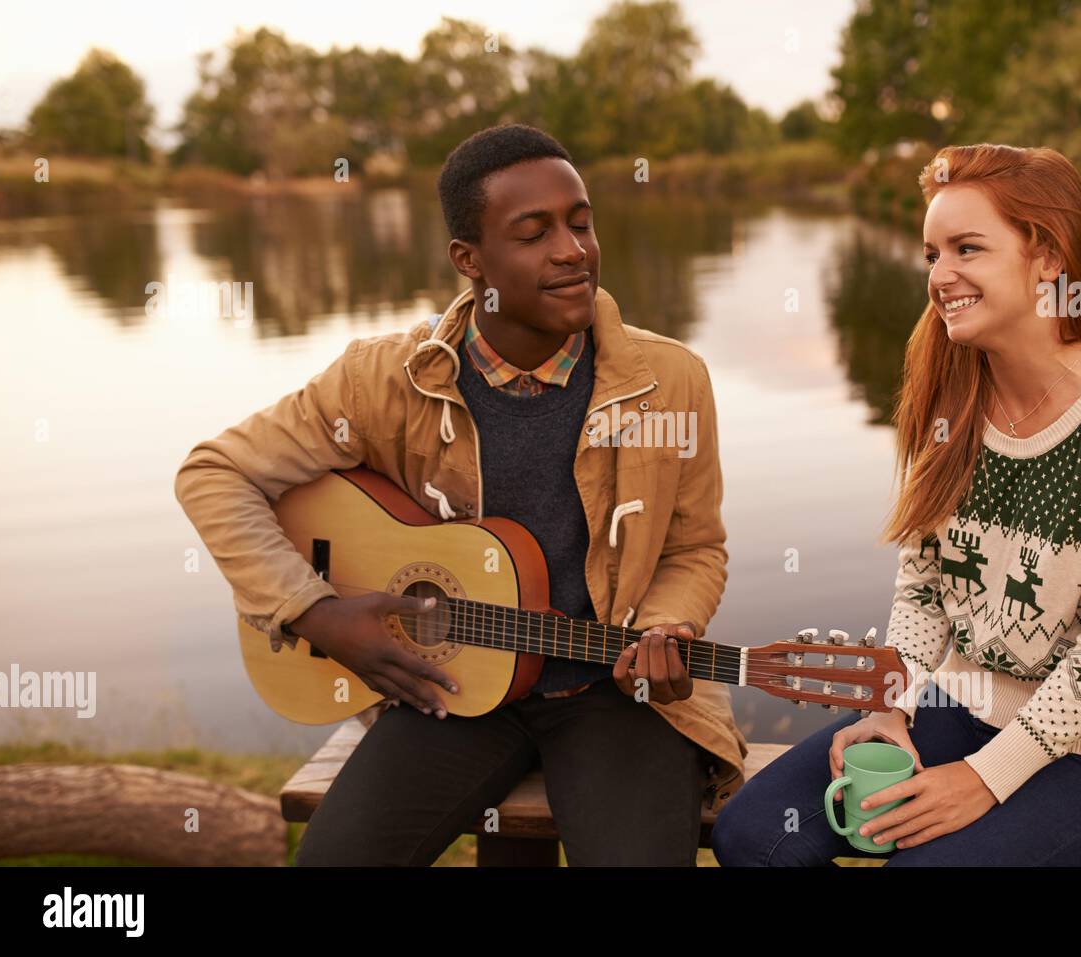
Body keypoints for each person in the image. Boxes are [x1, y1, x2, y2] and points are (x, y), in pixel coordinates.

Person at [174, 123, 747, 866]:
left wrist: (668, 628)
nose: (573, 249)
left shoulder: (669, 380)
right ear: (469, 261)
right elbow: (215, 472)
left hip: (614, 695)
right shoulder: (382, 379)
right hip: (449, 688)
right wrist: (315, 612)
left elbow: (695, 545)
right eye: (534, 233)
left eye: (580, 222)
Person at [712, 143, 1081, 866]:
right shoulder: (951, 392)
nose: (940, 277)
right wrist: (890, 705)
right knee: (755, 836)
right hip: (963, 706)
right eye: (932, 253)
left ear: (1048, 257)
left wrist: (981, 779)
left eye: (967, 248)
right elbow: (924, 588)